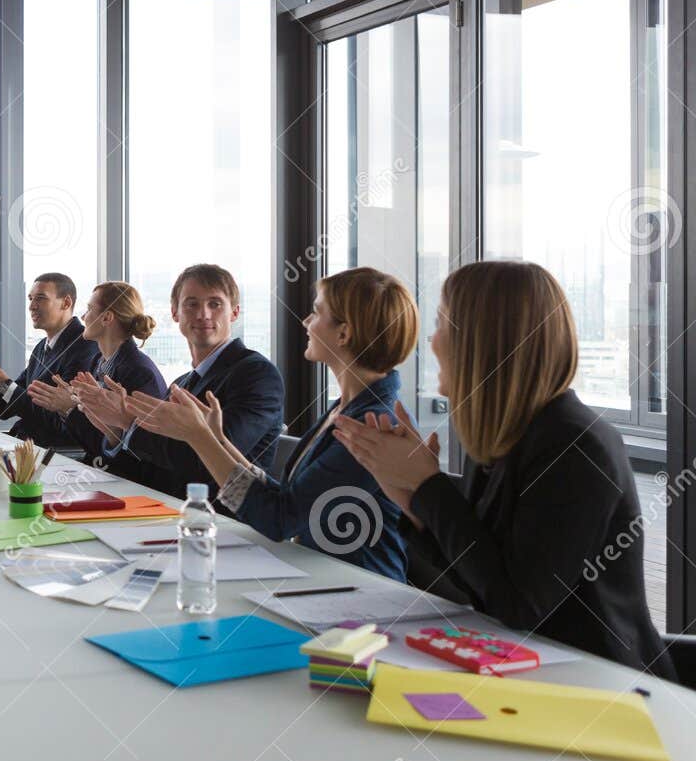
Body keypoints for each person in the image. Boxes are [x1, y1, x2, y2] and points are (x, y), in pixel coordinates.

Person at [333, 260, 672, 676]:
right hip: (529, 671)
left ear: (483, 343)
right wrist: (409, 498)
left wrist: (427, 485)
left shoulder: (577, 447)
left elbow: (519, 606)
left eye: (441, 324)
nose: (432, 341)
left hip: (603, 686)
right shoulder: (504, 438)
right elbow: (475, 578)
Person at [132, 268, 416, 581]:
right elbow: (286, 498)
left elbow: (281, 519)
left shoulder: (372, 423)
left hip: (360, 592)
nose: (306, 322)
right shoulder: (347, 409)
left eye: (317, 312)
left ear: (344, 334)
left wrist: (202, 438)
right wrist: (217, 440)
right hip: (321, 578)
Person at [84, 264, 284, 499]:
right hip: (170, 508)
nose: (203, 314)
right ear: (175, 313)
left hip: (220, 516)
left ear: (234, 313)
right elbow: (151, 470)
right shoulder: (182, 383)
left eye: (215, 304)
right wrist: (115, 432)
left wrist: (128, 422)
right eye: (192, 304)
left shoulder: (257, 375)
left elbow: (206, 462)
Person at [23, 281, 166, 481]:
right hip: (99, 473)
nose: (83, 317)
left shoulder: (139, 372)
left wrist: (71, 409)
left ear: (107, 318)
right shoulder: (96, 363)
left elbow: (141, 455)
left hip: (128, 482)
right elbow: (93, 441)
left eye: (89, 309)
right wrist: (70, 408)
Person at [0, 273, 101, 450]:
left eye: (40, 298)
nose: (31, 306)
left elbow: (58, 421)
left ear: (66, 303)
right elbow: (7, 409)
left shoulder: (85, 346)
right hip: (23, 444)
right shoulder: (41, 347)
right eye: (30, 299)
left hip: (48, 451)